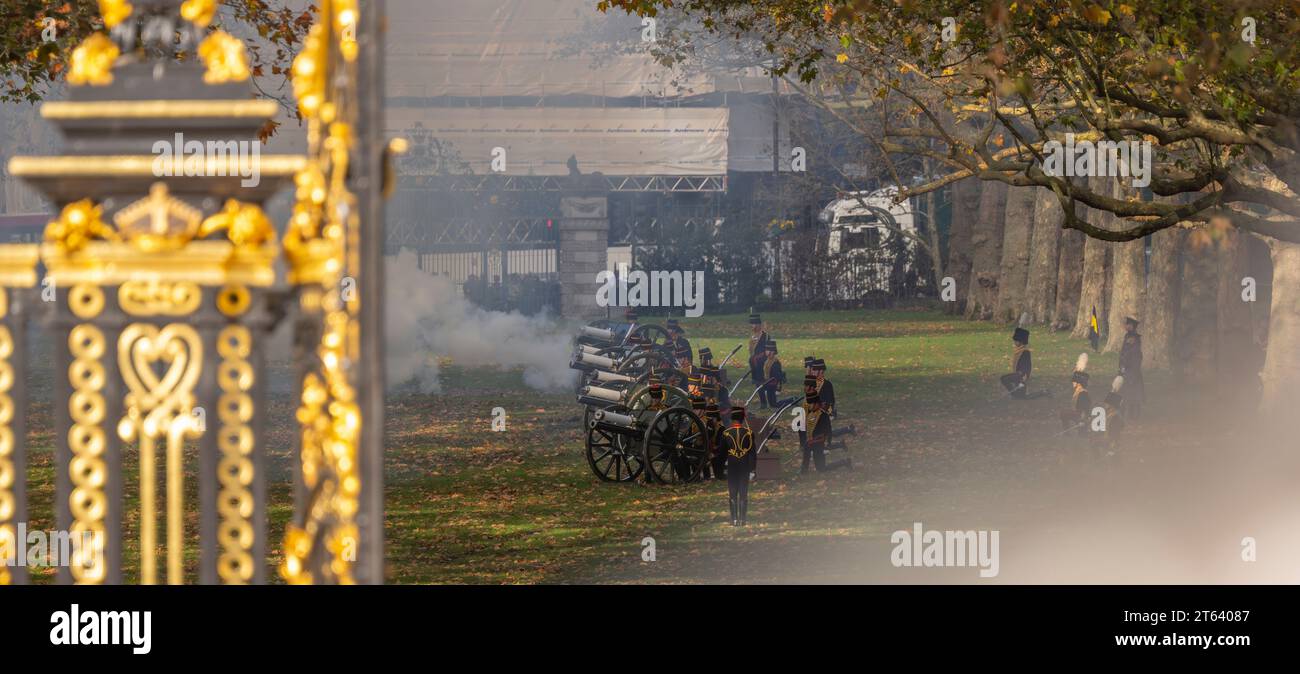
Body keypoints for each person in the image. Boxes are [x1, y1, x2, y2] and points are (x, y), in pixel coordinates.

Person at [799, 374, 851, 473]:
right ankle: (803, 470)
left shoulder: (823, 415)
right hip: (811, 441)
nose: (810, 406)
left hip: (818, 443)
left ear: (817, 404)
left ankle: (844, 462)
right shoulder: (811, 412)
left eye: (812, 404)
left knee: (821, 469)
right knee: (806, 449)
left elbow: (827, 432)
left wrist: (817, 441)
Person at [724, 405, 756, 526]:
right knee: (743, 493)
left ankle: (734, 519)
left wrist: (721, 468)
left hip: (731, 467)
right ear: (743, 418)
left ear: (732, 418)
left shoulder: (726, 433)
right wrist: (753, 469)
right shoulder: (749, 433)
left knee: (732, 493)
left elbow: (722, 454)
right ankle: (743, 520)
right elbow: (752, 454)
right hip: (745, 467)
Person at [1118, 317, 1144, 421]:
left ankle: (1133, 415)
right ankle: (1127, 414)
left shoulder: (1134, 338)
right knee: (1127, 392)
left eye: (1127, 324)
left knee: (1134, 393)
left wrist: (1125, 366)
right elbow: (1123, 353)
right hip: (1126, 369)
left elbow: (1132, 355)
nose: (1125, 326)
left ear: (1132, 326)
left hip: (1132, 371)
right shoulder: (1128, 336)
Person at [1001, 327, 1033, 399]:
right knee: (1004, 379)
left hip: (1021, 375)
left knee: (1004, 379)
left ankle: (1015, 394)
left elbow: (1028, 365)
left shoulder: (1025, 351)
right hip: (1018, 374)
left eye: (1016, 341)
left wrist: (1024, 375)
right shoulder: (1018, 351)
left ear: (1021, 341)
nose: (1015, 342)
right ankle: (1015, 394)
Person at [746, 310, 771, 388]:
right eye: (752, 324)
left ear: (758, 325)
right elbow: (751, 350)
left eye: (754, 324)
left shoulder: (765, 335)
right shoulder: (753, 335)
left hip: (765, 354)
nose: (752, 326)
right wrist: (751, 345)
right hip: (756, 355)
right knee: (751, 359)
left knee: (756, 359)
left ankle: (760, 378)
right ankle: (755, 378)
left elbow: (767, 347)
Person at [758, 340, 786, 409]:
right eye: (766, 350)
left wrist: (778, 388)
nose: (767, 352)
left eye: (769, 350)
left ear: (773, 351)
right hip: (767, 383)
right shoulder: (767, 361)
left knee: (774, 405)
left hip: (772, 385)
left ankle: (791, 400)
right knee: (758, 386)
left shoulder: (775, 362)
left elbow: (778, 376)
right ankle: (763, 404)